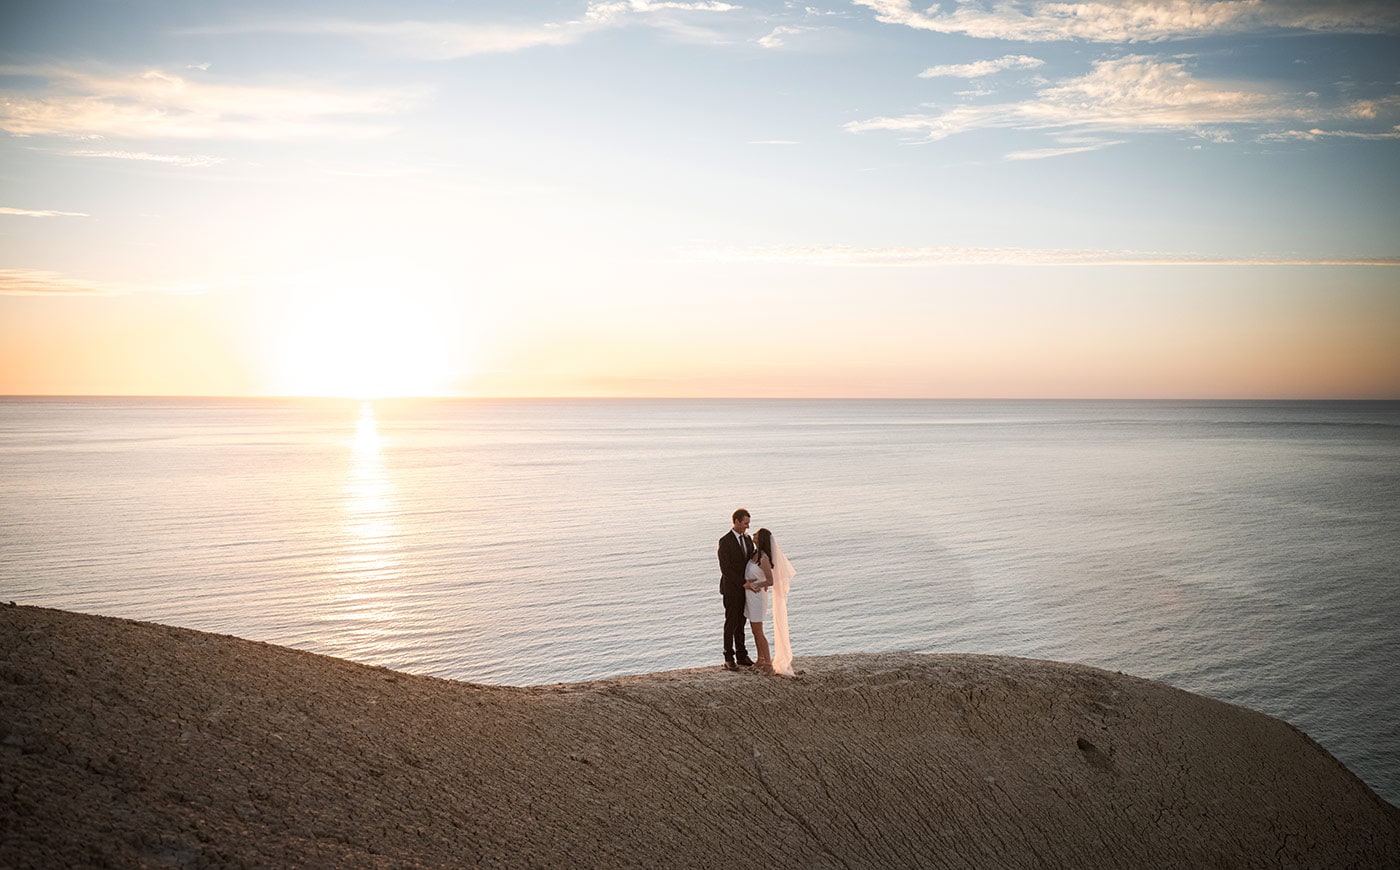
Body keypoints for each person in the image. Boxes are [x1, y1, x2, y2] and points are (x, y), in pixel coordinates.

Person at [746, 527, 797, 677]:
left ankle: (768, 663)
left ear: (761, 539)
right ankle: (760, 659)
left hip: (757, 597)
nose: (753, 535)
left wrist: (755, 585)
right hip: (750, 596)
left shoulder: (764, 558)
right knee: (755, 630)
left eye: (756, 534)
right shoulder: (755, 554)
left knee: (759, 630)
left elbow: (770, 580)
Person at [717, 508, 755, 671]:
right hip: (732, 588)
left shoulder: (747, 539)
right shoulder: (725, 541)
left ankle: (741, 655)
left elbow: (751, 560)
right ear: (737, 521)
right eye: (745, 523)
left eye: (748, 523)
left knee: (741, 622)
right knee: (731, 622)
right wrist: (742, 583)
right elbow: (725, 568)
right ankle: (728, 656)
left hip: (744, 588)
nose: (747, 527)